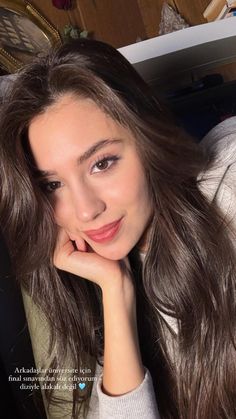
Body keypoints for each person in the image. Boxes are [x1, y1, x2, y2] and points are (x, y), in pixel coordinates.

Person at [0, 39, 236, 419]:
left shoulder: (226, 187)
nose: (86, 211)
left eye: (102, 163)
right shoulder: (84, 288)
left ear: (147, 139)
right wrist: (115, 291)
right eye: (52, 185)